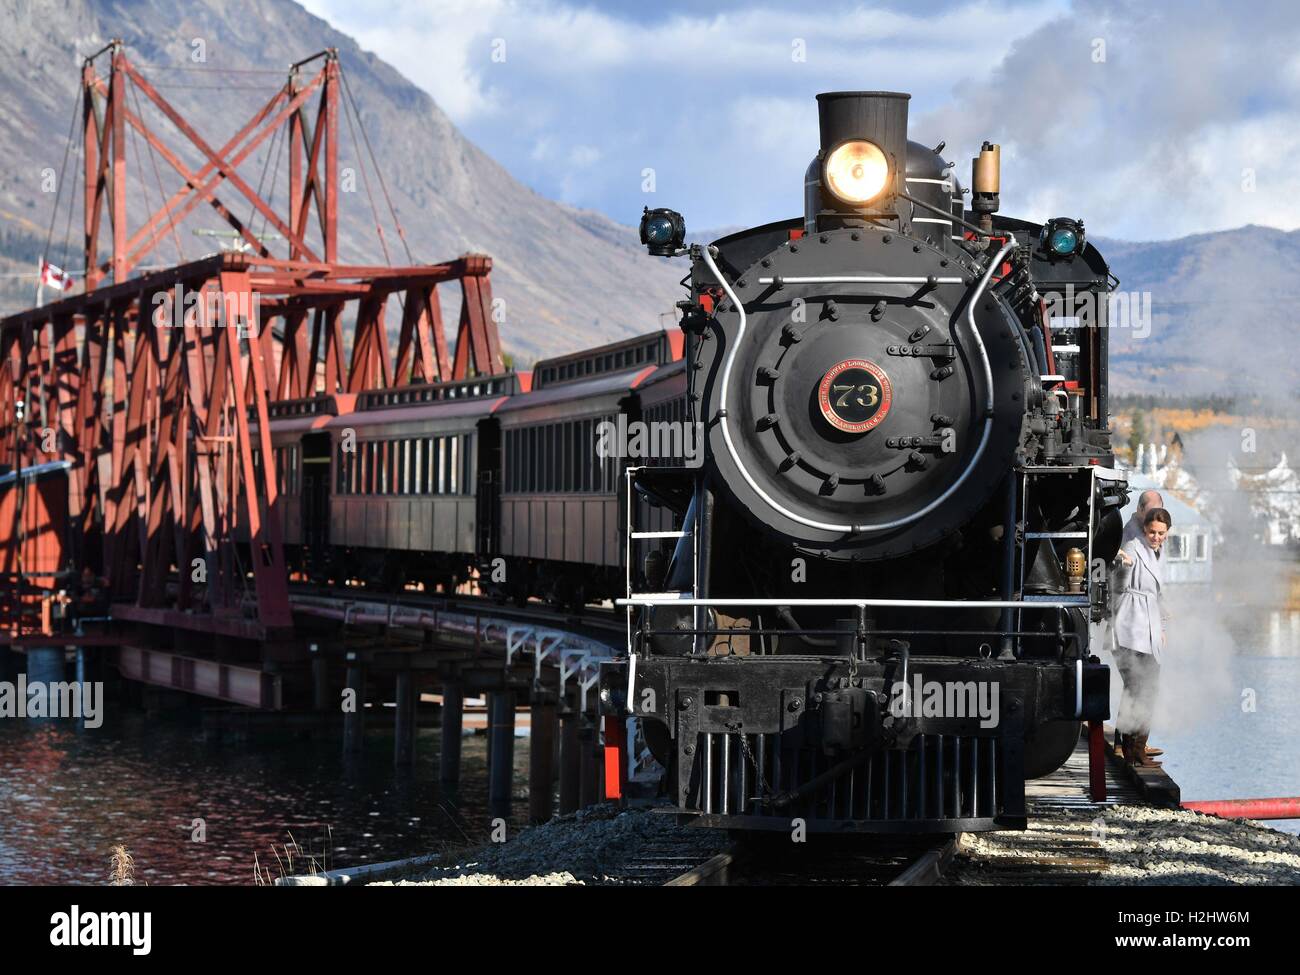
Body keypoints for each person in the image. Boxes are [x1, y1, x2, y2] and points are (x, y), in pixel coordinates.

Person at [1111, 507, 1172, 768]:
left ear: (1167, 533)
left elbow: (1157, 596)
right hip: (1130, 625)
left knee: (1149, 689)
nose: (1156, 537)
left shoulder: (1158, 554)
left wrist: (1162, 627)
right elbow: (1118, 581)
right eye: (1151, 532)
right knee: (1137, 688)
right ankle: (1129, 749)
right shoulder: (1134, 549)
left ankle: (1137, 749)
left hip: (1148, 626)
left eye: (1161, 533)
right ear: (1144, 529)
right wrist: (1120, 564)